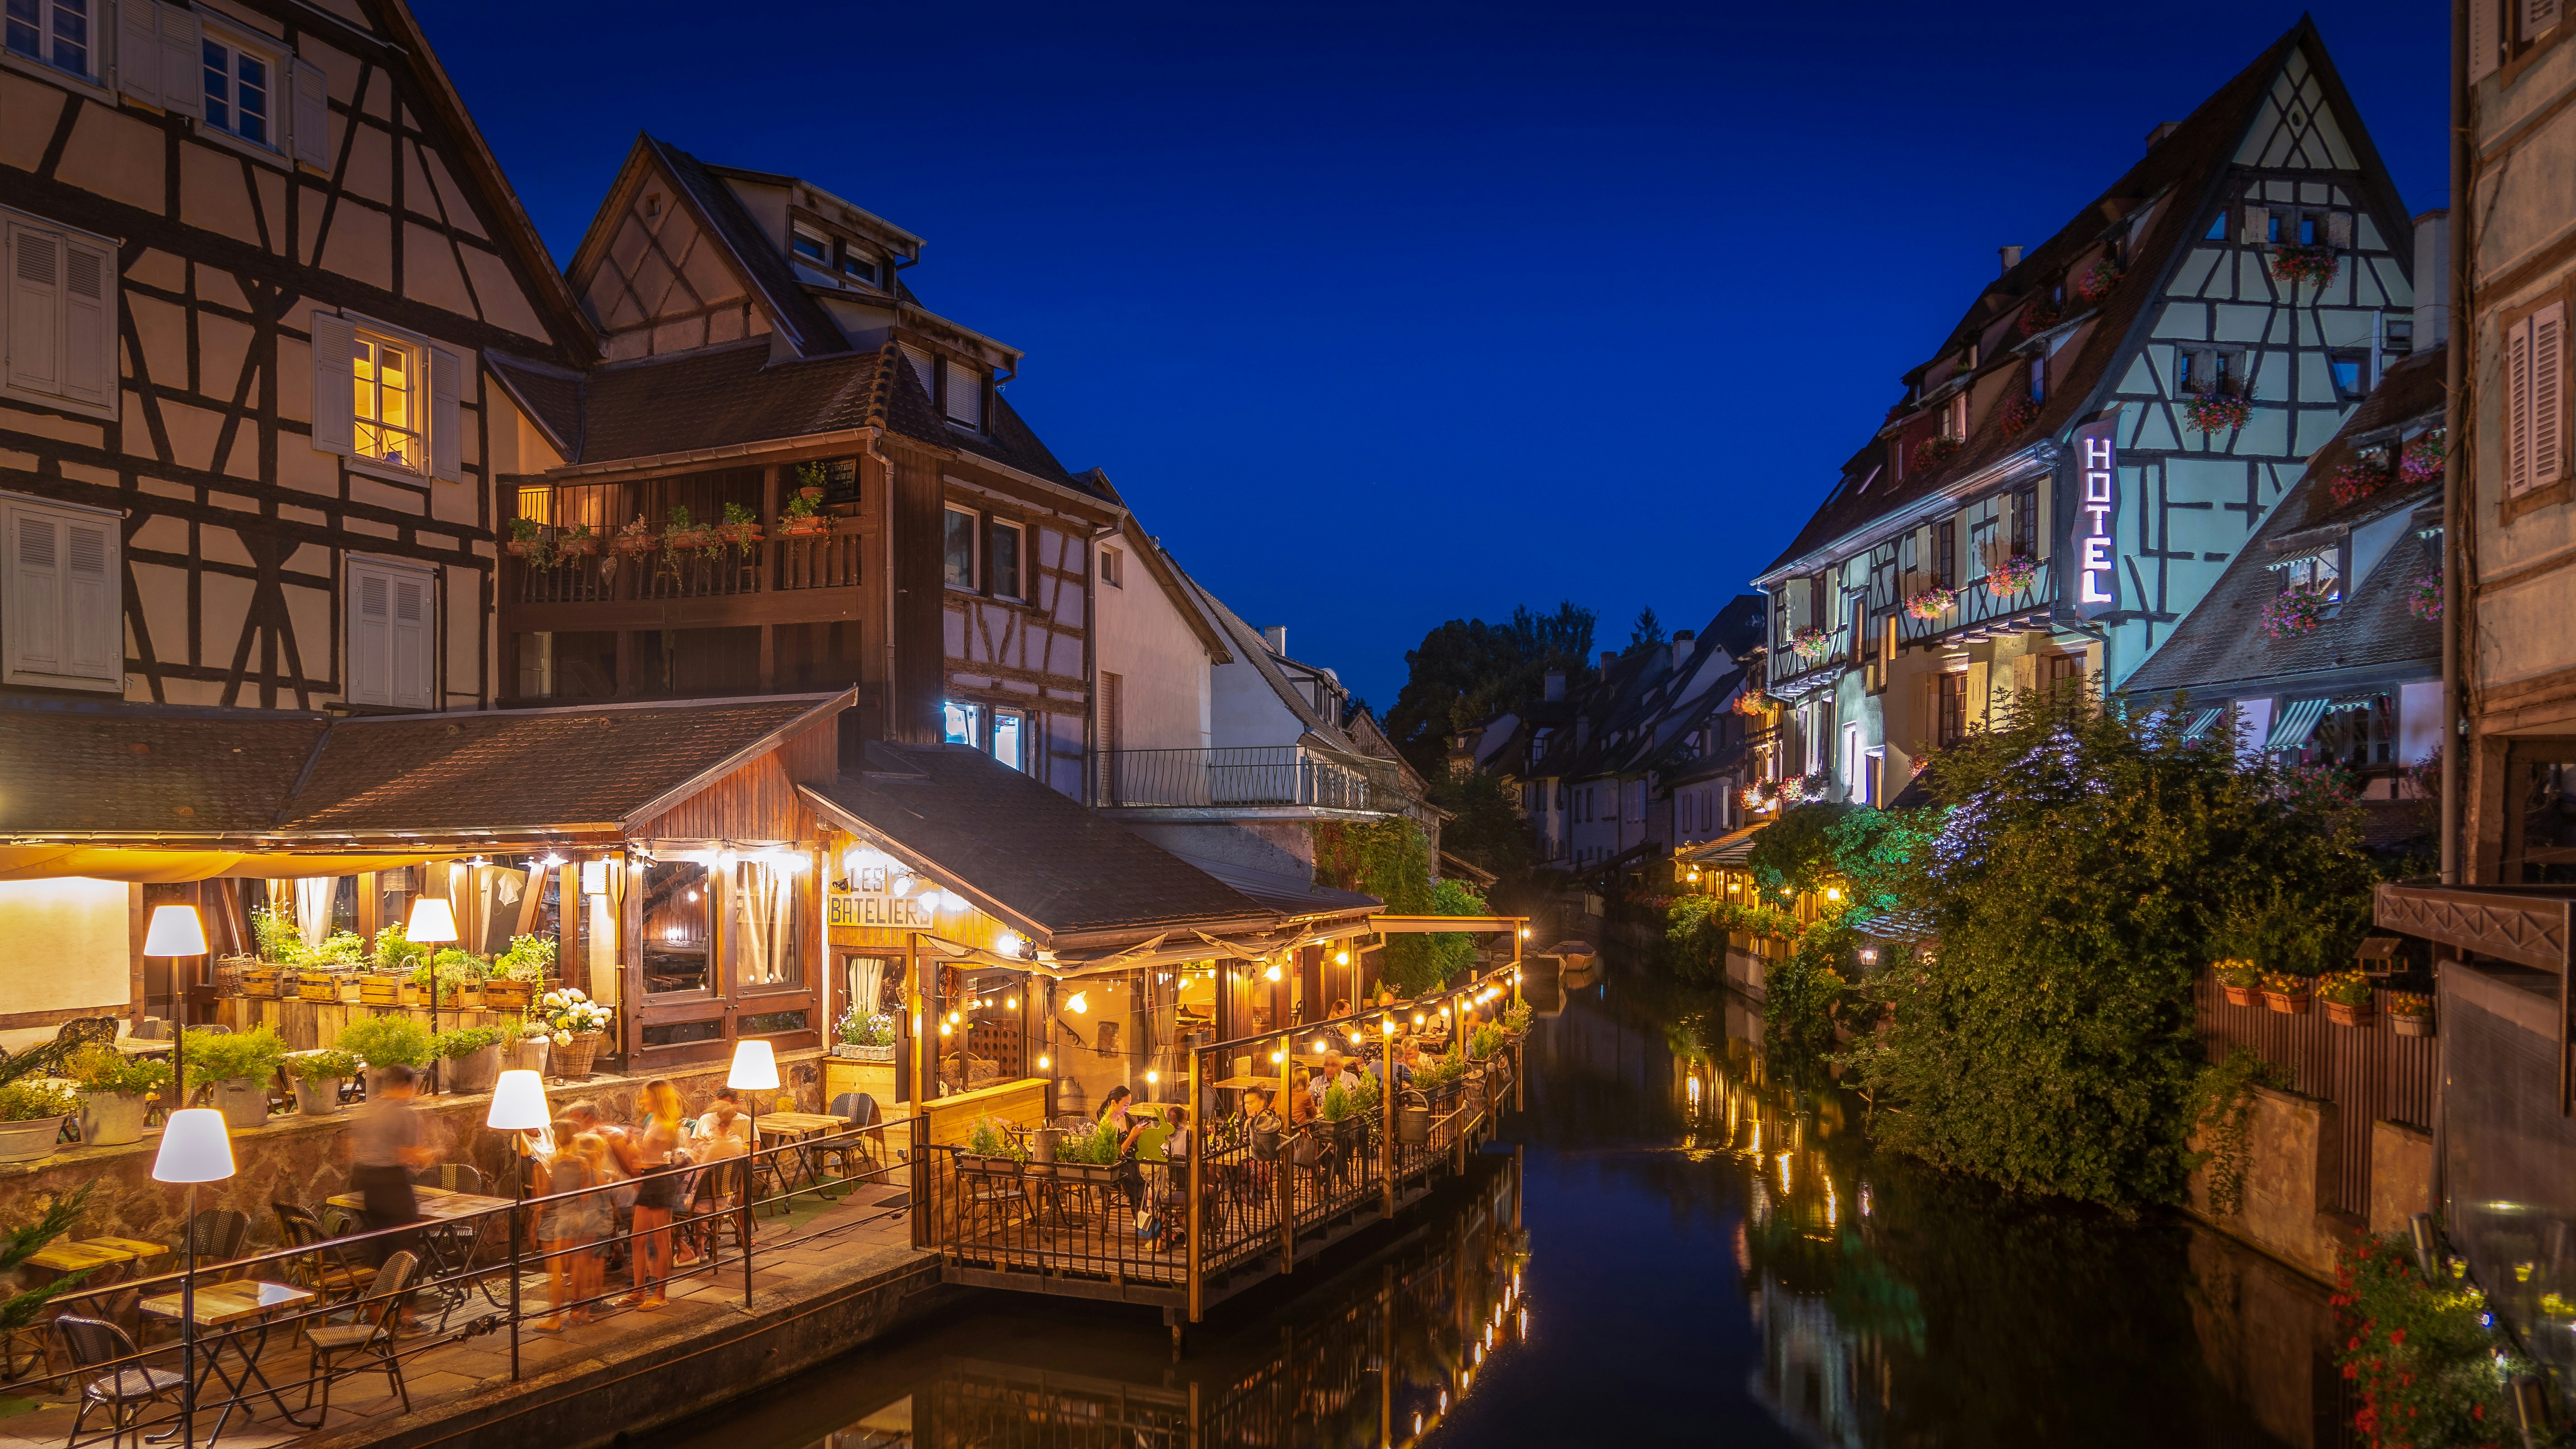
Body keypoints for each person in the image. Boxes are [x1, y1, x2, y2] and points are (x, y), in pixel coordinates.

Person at [348, 1063, 435, 1266]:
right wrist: (432, 1154)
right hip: (393, 1185)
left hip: (367, 1184)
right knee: (405, 1243)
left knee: (380, 1242)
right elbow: (406, 1155)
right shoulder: (405, 1114)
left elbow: (351, 1150)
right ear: (409, 1085)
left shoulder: (366, 1111)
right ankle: (403, 1296)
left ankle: (380, 1293)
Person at [612, 1080, 684, 1310]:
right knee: (637, 1238)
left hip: (660, 1179)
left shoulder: (665, 1124)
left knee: (661, 1240)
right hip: (649, 1178)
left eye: (647, 1096)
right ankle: (639, 1292)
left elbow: (645, 1153)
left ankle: (661, 1294)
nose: (643, 1100)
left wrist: (629, 1142)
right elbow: (642, 1154)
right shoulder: (653, 1121)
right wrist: (633, 1140)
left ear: (657, 1098)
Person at [533, 1130, 609, 1331]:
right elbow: (587, 1195)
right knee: (579, 1266)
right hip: (581, 1218)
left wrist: (538, 1215)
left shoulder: (555, 1163)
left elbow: (546, 1194)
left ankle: (555, 1319)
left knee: (556, 1271)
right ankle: (580, 1313)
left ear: (558, 1139)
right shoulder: (584, 1163)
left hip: (562, 1218)